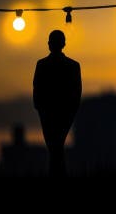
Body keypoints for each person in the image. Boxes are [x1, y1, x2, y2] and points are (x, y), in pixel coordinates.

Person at [33, 29, 82, 176]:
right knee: (56, 148)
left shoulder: (42, 65)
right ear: (64, 44)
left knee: (54, 148)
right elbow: (76, 93)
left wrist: (42, 110)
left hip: (51, 114)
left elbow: (37, 90)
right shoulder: (73, 66)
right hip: (62, 114)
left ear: (49, 44)